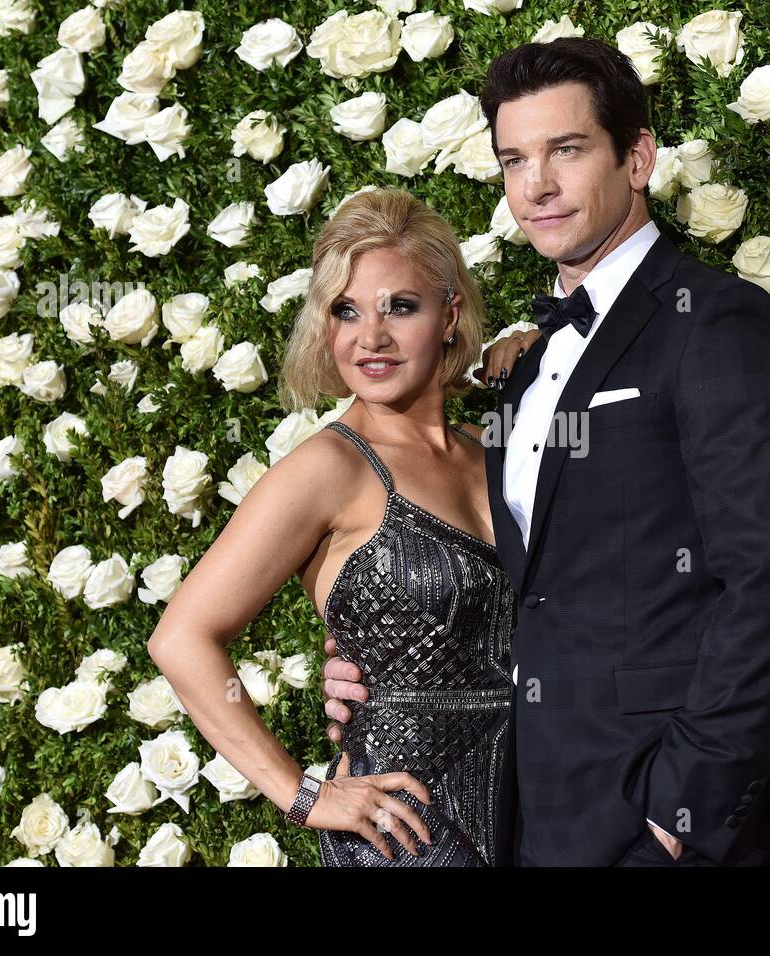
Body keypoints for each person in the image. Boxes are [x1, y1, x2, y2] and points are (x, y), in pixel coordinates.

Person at [322, 37, 770, 867]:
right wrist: (376, 663)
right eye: (514, 159)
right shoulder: (525, 364)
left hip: (661, 818)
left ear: (638, 157)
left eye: (567, 150)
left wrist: (681, 816)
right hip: (520, 806)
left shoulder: (717, 324)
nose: (538, 186)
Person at [147, 187, 535, 866]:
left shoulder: (494, 446)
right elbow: (181, 638)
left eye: (400, 308)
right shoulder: (328, 467)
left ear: (450, 314)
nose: (370, 339)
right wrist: (302, 795)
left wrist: (549, 353)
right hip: (407, 836)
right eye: (346, 312)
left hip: (540, 809)